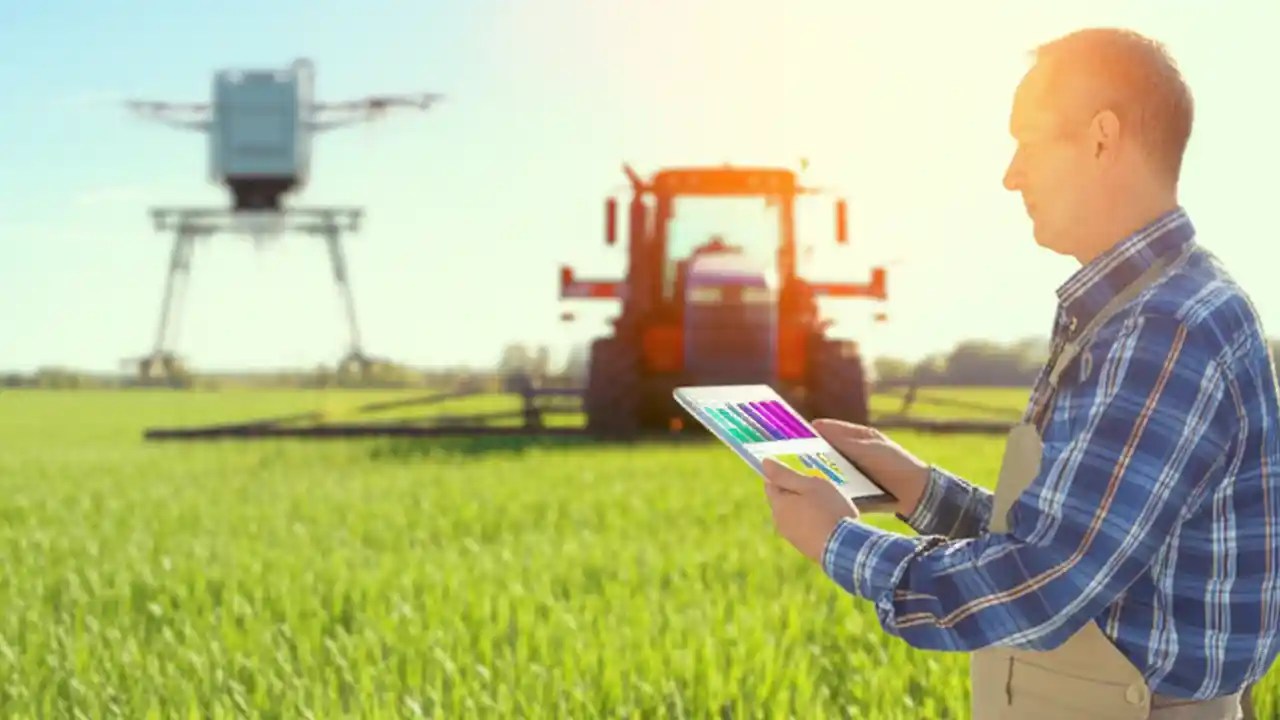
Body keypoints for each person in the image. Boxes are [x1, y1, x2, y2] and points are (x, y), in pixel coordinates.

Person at [761, 27, 1280, 720]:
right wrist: (922, 490)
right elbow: (1085, 543)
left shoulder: (1165, 328)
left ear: (1101, 138)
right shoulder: (1144, 308)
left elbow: (1048, 582)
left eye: (1029, 140)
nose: (1011, 173)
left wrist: (838, 541)